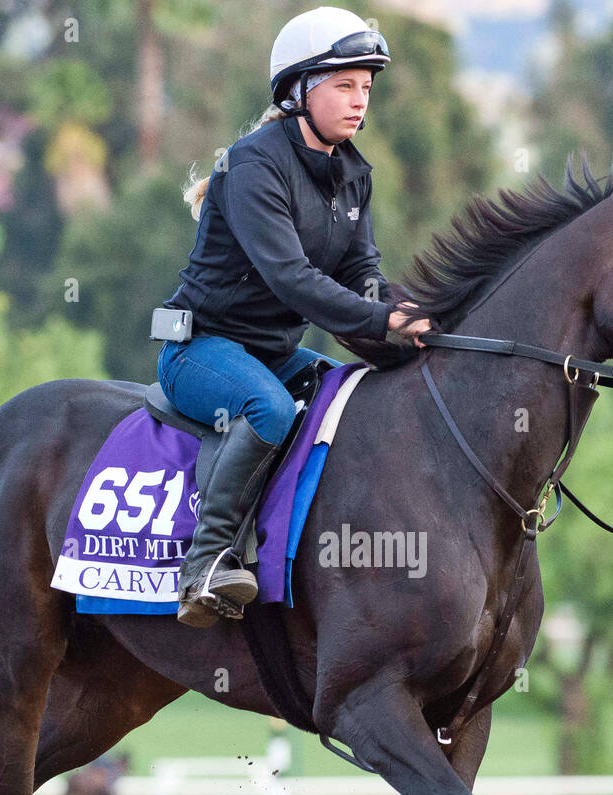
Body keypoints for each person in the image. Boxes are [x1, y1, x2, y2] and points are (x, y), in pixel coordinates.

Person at [157, 6, 434, 628]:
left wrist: (407, 318)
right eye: (344, 86)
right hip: (200, 351)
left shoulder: (354, 174)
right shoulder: (253, 165)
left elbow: (361, 270)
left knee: (352, 392)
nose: (359, 101)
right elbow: (295, 281)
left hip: (273, 356)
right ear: (297, 90)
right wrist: (381, 318)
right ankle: (205, 565)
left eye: (366, 87)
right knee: (271, 410)